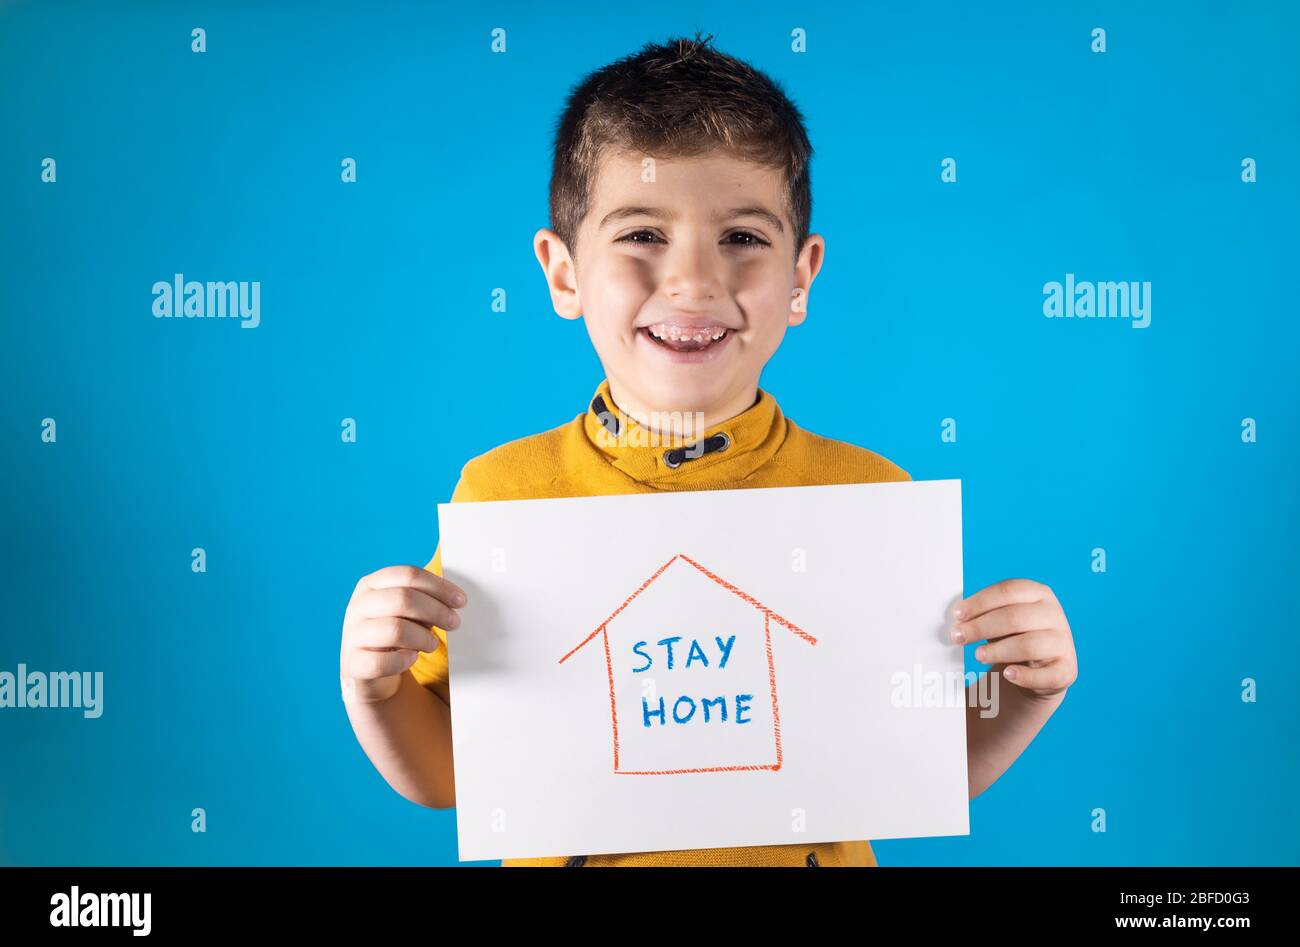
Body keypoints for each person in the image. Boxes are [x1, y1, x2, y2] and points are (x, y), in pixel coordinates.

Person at [340, 32, 1079, 867]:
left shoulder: (868, 499)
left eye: (742, 239)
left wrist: (1022, 694)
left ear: (802, 278)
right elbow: (447, 775)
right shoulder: (504, 494)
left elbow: (909, 767)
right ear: (562, 272)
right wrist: (375, 687)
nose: (692, 283)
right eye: (642, 236)